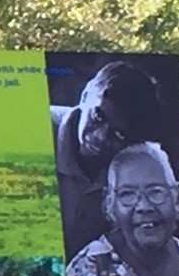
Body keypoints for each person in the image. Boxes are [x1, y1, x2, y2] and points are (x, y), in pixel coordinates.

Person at [65, 144, 179, 276]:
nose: (144, 206)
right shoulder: (90, 270)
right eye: (127, 194)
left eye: (156, 191)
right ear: (110, 204)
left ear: (178, 199)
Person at [51, 60, 166, 254]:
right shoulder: (31, 128)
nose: (100, 137)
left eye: (118, 134)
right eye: (98, 116)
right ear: (85, 95)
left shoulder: (139, 166)